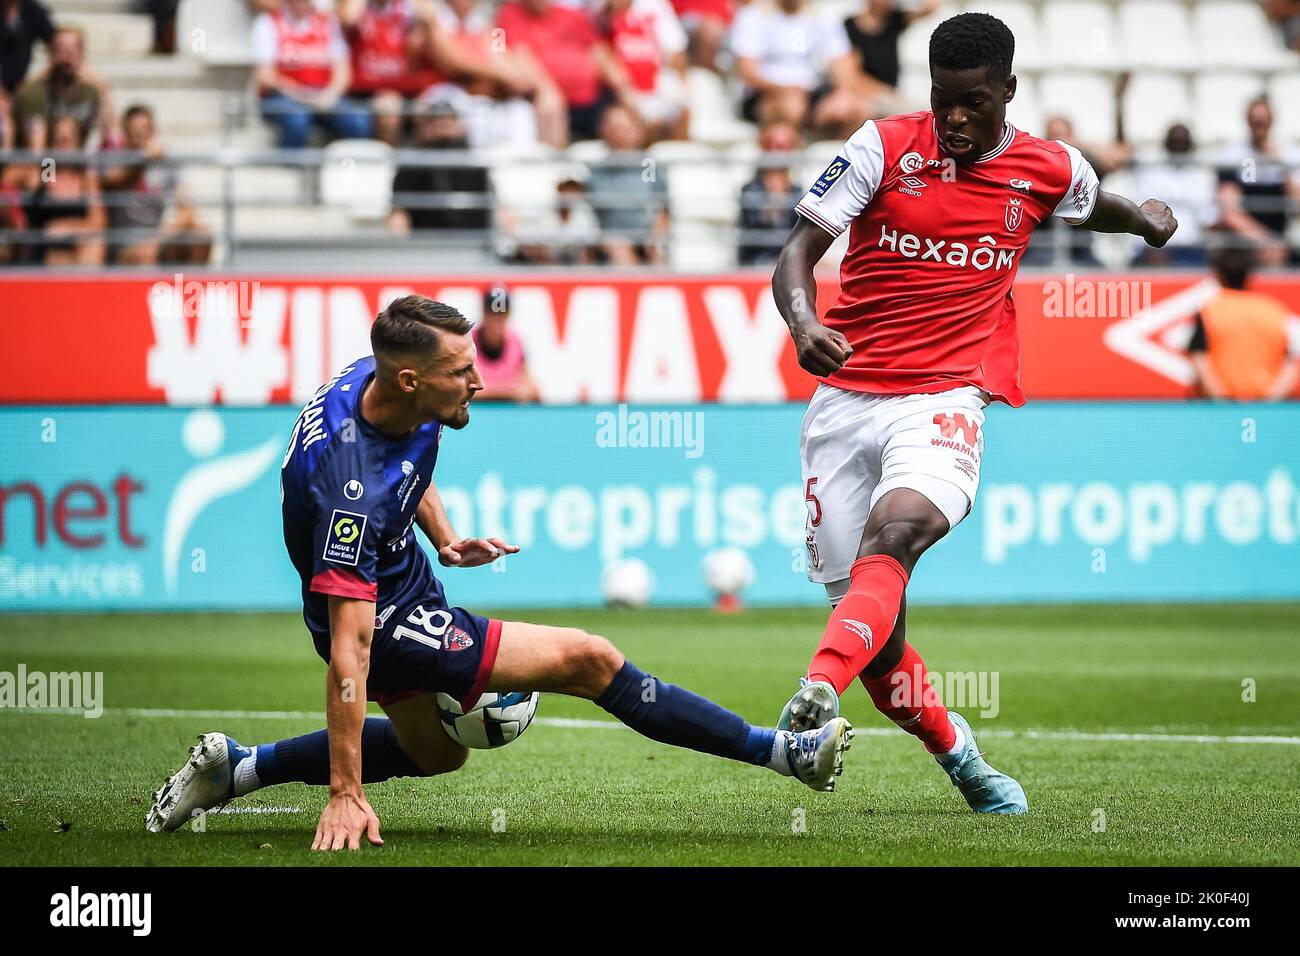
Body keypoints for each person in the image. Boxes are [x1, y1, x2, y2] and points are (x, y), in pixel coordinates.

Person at [146, 295, 854, 849]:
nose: (480, 382)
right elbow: (349, 650)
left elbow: (404, 466)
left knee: (436, 756)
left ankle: (236, 769)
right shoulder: (347, 488)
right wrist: (343, 789)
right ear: (411, 377)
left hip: (404, 573)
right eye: (463, 373)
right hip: (382, 617)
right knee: (590, 657)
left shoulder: (385, 388)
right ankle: (785, 754)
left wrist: (446, 538)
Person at [769, 12, 1176, 814]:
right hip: (846, 402)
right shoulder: (880, 148)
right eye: (943, 100)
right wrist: (804, 321)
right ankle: (960, 754)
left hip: (945, 396)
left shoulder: (1044, 166)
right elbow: (796, 254)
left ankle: (816, 688)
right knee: (884, 663)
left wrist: (1149, 220)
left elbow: (1094, 204)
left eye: (975, 104)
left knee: (902, 533)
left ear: (1009, 94)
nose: (955, 119)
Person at [730, 0, 861, 138]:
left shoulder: (823, 17)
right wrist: (785, 91)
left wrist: (842, 94)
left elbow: (842, 62)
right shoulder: (753, 16)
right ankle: (784, 149)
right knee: (790, 107)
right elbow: (747, 71)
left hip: (812, 95)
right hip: (765, 95)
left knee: (851, 109)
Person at [99, 103, 211, 265]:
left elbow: (188, 210)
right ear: (125, 133)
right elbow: (114, 180)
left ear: (153, 131)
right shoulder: (115, 160)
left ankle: (190, 289)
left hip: (155, 238)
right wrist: (144, 159)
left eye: (144, 129)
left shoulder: (165, 162)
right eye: (134, 130)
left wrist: (157, 239)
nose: (139, 135)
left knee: (200, 236)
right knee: (144, 254)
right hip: (123, 243)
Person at [252, 0, 372, 149]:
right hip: (284, 95)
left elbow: (343, 73)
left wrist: (329, 96)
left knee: (358, 121)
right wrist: (304, 96)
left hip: (324, 94)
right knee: (297, 119)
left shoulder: (328, 22)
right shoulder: (268, 23)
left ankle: (350, 167)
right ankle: (288, 169)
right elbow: (266, 77)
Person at [1188, 243, 1299, 400]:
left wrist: (1222, 402)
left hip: (1223, 407)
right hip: (1266, 405)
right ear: (1248, 275)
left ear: (1218, 275)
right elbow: (1289, 362)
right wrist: (1270, 401)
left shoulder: (1209, 311)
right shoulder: (1274, 310)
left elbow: (1200, 360)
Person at [386, 95, 490, 234]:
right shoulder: (412, 166)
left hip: (472, 242)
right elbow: (399, 213)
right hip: (427, 245)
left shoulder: (474, 165)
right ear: (424, 126)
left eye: (449, 119)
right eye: (436, 119)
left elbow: (495, 206)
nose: (443, 124)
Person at [1217, 96, 1300, 267]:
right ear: (1247, 121)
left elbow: (1297, 204)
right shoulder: (1232, 155)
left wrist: (1281, 167)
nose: (1259, 127)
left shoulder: (1289, 154)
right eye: (1256, 121)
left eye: (1263, 121)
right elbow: (1230, 212)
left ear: (1272, 121)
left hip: (1282, 242)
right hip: (1244, 244)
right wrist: (1265, 242)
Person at [585, 102, 668, 264]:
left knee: (657, 247)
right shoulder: (597, 170)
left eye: (624, 129)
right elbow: (593, 212)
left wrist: (655, 237)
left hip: (646, 238)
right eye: (614, 129)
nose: (619, 135)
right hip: (610, 241)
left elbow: (658, 205)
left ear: (638, 131)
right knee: (618, 247)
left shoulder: (647, 166)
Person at [11, 26, 110, 153]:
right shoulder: (34, 93)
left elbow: (112, 132)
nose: (68, 54)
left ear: (82, 54)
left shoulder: (90, 92)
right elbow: (36, 152)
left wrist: (103, 89)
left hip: (77, 164)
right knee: (64, 130)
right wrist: (51, 172)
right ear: (51, 53)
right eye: (62, 49)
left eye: (74, 48)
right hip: (45, 165)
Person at [1133, 123, 1216, 267]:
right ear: (1166, 143)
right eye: (1175, 140)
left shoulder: (1202, 176)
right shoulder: (1151, 172)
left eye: (1182, 141)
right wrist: (1155, 244)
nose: (1179, 145)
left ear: (1190, 144)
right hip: (1154, 245)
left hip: (1191, 247)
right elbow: (1143, 213)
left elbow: (1208, 220)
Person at [843, 0, 939, 117]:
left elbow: (931, 7)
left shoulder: (894, 20)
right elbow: (852, 77)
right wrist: (884, 92)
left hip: (889, 95)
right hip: (865, 95)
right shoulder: (849, 26)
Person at [737, 121, 801, 266]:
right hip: (756, 260)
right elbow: (755, 232)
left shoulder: (797, 190)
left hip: (788, 260)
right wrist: (774, 198)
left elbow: (799, 231)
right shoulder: (751, 189)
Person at [472, 285, 539, 402]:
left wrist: (489, 390)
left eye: (501, 316)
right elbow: (464, 390)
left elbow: (532, 388)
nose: (496, 322)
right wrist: (508, 391)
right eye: (492, 315)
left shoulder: (515, 340)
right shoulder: (470, 342)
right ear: (484, 313)